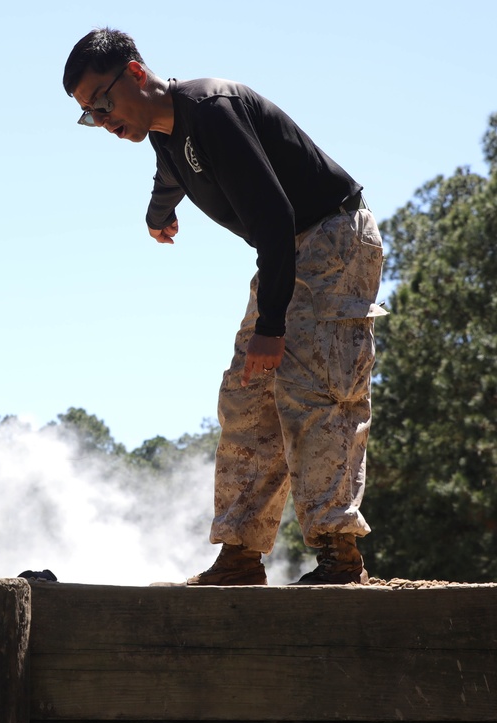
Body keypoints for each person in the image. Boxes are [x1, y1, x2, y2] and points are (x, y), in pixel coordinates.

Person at [63, 29, 385, 586]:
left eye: (102, 102)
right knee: (246, 395)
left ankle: (340, 556)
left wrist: (272, 324)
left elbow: (274, 218)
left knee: (316, 388)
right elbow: (171, 173)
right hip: (285, 252)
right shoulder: (165, 133)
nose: (103, 120)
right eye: (89, 116)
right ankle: (240, 557)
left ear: (136, 74)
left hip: (331, 236)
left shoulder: (213, 111)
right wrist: (157, 213)